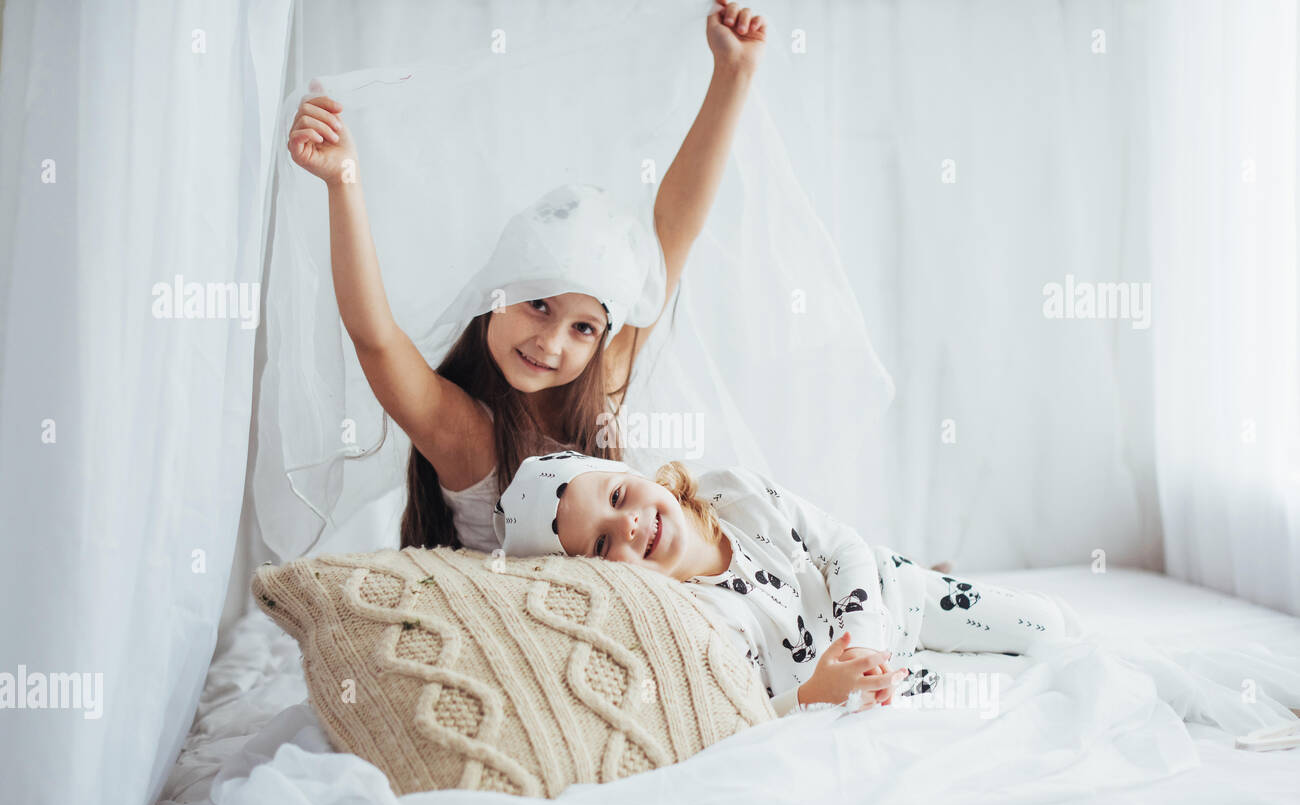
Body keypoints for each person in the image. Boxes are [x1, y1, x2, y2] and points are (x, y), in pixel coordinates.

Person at [284, 2, 770, 552]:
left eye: (583, 328)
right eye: (538, 304)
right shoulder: (467, 435)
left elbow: (673, 230)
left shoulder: (600, 384)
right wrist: (343, 179)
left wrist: (734, 74)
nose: (551, 341)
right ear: (495, 294)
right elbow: (375, 338)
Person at [492, 451, 1086, 718]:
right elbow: (745, 714)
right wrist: (812, 695)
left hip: (888, 597)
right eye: (601, 545)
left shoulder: (734, 494)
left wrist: (864, 638)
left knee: (1047, 628)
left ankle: (938, 579)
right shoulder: (692, 618)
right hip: (853, 672)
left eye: (618, 496)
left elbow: (843, 547)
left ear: (635, 477)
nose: (626, 523)